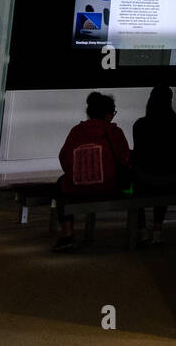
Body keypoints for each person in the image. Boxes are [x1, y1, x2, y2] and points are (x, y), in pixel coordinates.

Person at [53, 92, 131, 251]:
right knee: (131, 184)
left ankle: (67, 233)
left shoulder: (77, 131)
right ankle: (140, 229)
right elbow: (125, 160)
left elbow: (64, 157)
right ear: (108, 114)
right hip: (109, 187)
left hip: (76, 188)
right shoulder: (114, 132)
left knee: (59, 185)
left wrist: (75, 177)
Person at [131, 85, 176, 244]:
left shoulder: (140, 125)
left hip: (144, 179)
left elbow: (139, 155)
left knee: (133, 181)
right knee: (166, 176)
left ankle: (141, 229)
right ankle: (157, 229)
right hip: (171, 180)